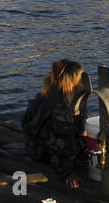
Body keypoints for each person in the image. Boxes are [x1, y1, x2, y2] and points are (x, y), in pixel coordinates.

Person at [21, 60, 91, 189]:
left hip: (36, 143)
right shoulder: (59, 107)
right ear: (71, 83)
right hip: (43, 151)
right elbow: (61, 143)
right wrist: (68, 174)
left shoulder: (50, 94)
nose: (83, 83)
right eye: (81, 79)